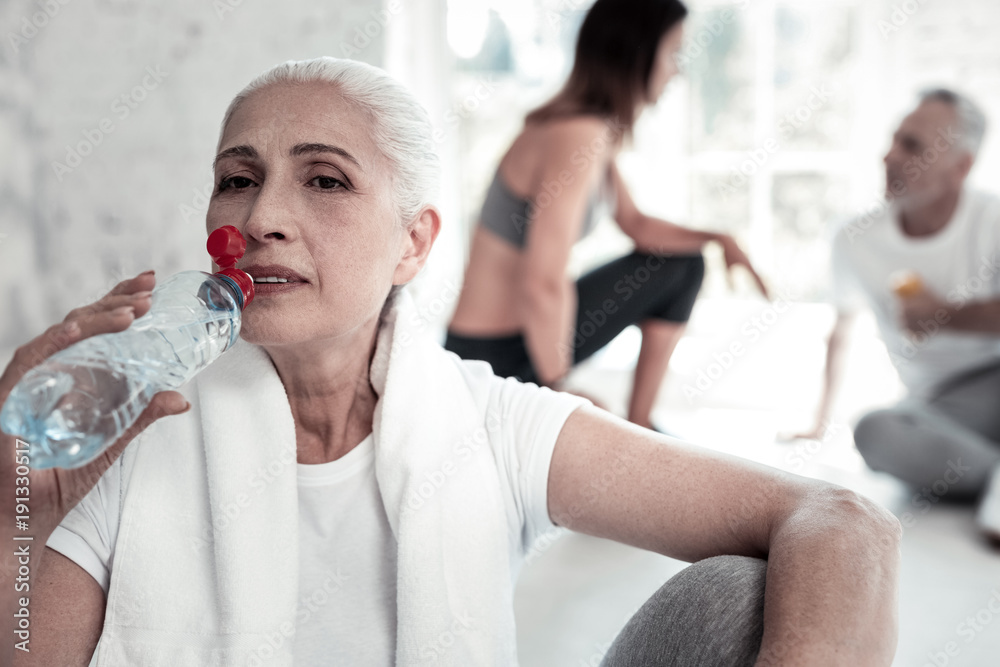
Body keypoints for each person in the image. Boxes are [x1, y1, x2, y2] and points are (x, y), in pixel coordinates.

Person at [0, 57, 901, 667]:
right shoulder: (128, 422)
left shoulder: (488, 423)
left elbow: (840, 520)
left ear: (411, 245)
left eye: (324, 179)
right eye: (238, 177)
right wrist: (14, 522)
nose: (261, 215)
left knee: (739, 599)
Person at [444, 0, 767, 432]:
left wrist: (720, 237)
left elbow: (637, 225)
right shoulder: (577, 133)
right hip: (490, 358)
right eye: (672, 53)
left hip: (518, 342)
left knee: (681, 265)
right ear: (636, 52)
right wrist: (559, 387)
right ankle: (630, 428)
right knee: (680, 267)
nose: (678, 70)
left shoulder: (593, 128)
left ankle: (640, 423)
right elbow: (542, 279)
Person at [797, 88, 1000, 543]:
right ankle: (993, 474)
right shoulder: (854, 238)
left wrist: (943, 315)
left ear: (960, 167)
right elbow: (840, 330)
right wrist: (818, 421)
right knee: (874, 432)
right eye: (893, 140)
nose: (889, 156)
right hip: (938, 409)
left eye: (913, 146)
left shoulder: (993, 220)